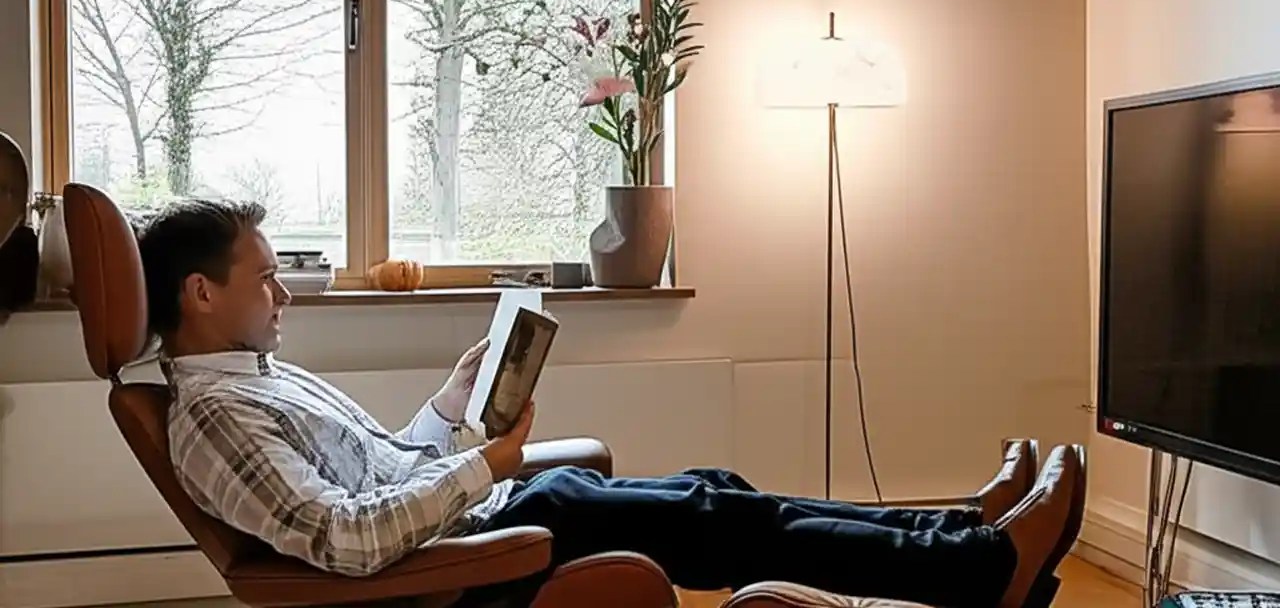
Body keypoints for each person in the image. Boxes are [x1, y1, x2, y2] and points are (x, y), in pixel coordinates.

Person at [140, 199, 1083, 608]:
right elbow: (346, 544)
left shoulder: (252, 377)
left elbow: (373, 472)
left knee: (713, 489)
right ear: (200, 294)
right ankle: (983, 565)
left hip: (481, 517)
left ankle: (957, 531)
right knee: (714, 514)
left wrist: (449, 404)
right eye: (266, 279)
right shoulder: (218, 417)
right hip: (472, 562)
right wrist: (490, 466)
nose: (283, 294)